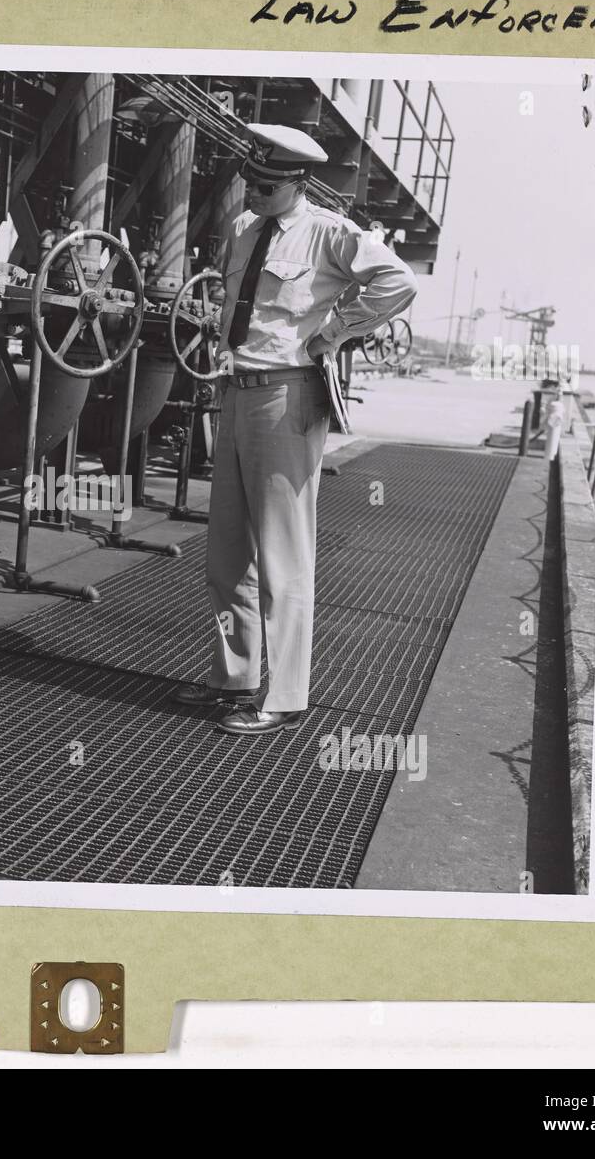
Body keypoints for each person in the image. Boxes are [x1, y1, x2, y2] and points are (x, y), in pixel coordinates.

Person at [173, 123, 418, 735]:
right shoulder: (242, 231)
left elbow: (399, 282)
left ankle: (281, 697)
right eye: (249, 181)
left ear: (297, 183)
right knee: (228, 553)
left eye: (265, 184)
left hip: (288, 397)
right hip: (237, 392)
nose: (252, 192)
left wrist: (335, 332)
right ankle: (233, 679)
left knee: (283, 554)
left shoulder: (331, 234)